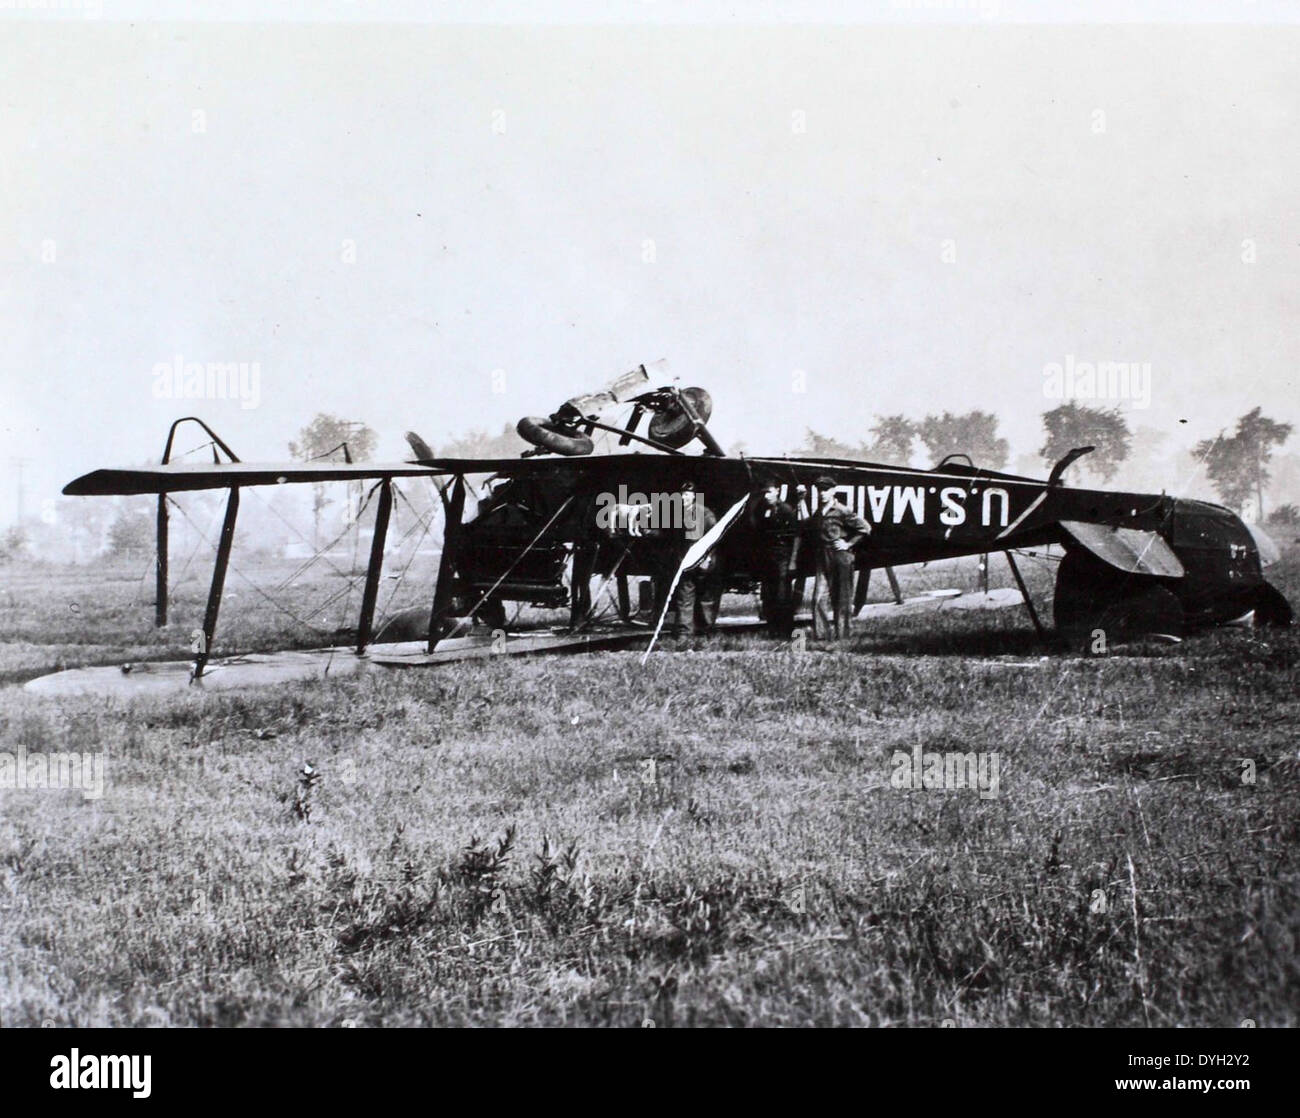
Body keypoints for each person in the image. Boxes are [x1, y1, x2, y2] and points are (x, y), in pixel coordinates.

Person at [648, 479, 718, 638]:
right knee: (684, 597)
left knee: (705, 598)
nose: (684, 498)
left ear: (694, 496)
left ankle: (705, 631)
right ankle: (684, 633)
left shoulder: (705, 514)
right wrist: (650, 532)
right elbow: (668, 534)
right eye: (682, 495)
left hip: (702, 562)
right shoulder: (676, 514)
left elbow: (714, 538)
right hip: (684, 562)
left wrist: (708, 558)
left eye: (687, 495)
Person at [808, 475, 869, 639]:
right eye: (819, 490)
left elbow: (865, 528)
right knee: (818, 597)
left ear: (833, 491)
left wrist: (848, 544)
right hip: (823, 557)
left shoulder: (842, 510)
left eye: (825, 490)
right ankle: (822, 635)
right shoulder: (818, 512)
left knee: (842, 598)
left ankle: (843, 635)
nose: (822, 493)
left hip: (841, 557)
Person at [750, 477, 800, 639]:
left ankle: (786, 630)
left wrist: (792, 561)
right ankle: (773, 628)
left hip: (782, 555)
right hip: (768, 556)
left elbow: (796, 537)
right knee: (769, 594)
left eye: (769, 492)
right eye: (764, 493)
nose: (766, 496)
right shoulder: (763, 510)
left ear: (777, 491)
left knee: (782, 594)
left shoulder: (786, 510)